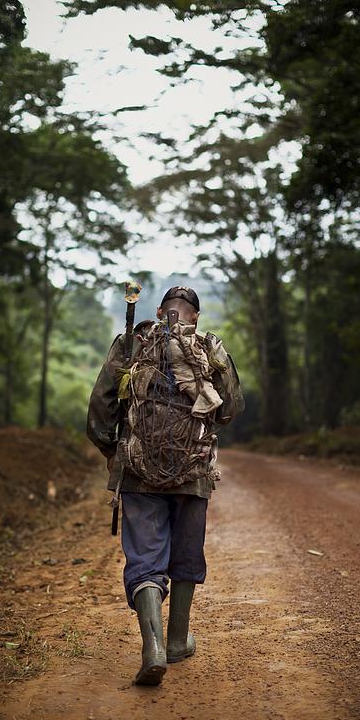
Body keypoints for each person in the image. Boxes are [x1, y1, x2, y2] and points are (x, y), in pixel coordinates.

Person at [86, 286, 244, 685]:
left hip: (138, 472)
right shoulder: (209, 348)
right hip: (192, 474)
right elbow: (231, 408)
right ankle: (176, 642)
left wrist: (112, 450)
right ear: (196, 316)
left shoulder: (131, 342)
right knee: (187, 555)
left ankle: (152, 647)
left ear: (159, 311)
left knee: (145, 559)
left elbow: (101, 405)